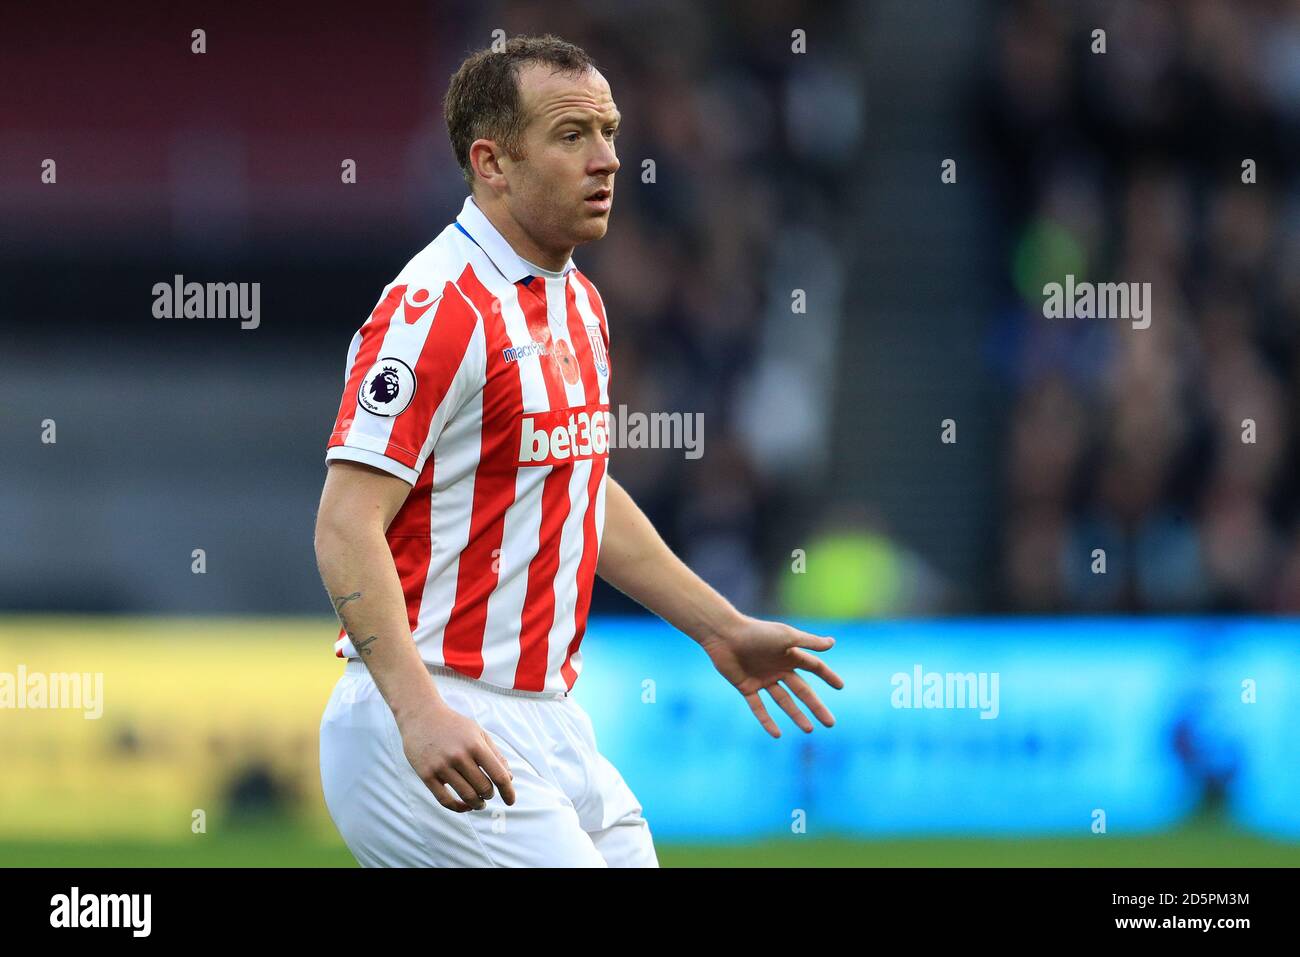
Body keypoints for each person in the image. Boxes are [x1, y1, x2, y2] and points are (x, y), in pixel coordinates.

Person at [314, 34, 843, 868]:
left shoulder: (580, 307)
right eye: (572, 136)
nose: (607, 159)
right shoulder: (435, 308)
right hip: (427, 707)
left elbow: (581, 494)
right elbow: (345, 526)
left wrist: (720, 628)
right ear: (492, 162)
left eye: (610, 130)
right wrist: (417, 712)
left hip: (551, 716)